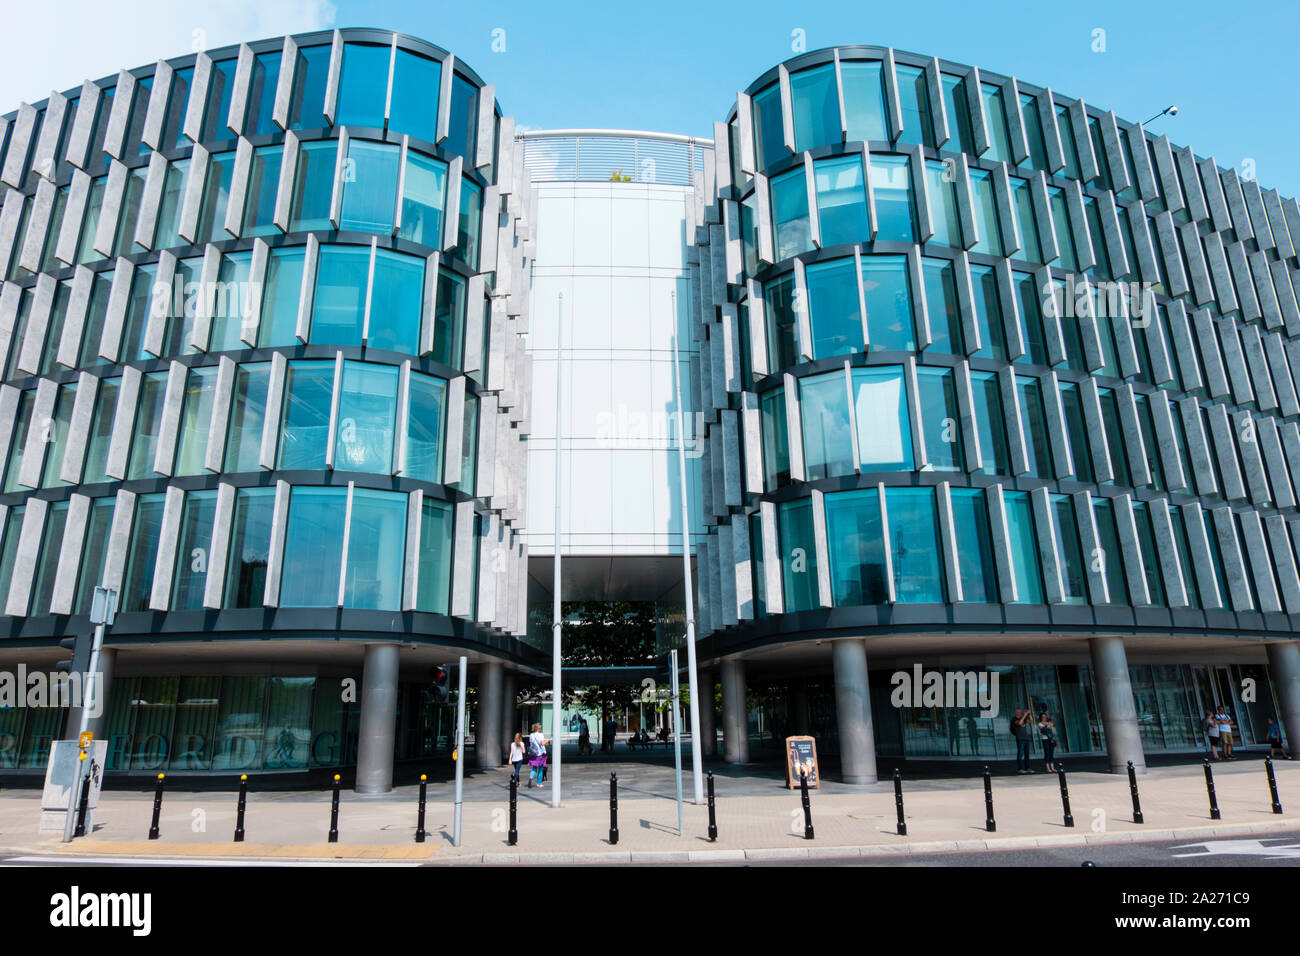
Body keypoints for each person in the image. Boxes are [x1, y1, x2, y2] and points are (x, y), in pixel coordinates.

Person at [1010, 707, 1034, 773]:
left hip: (1026, 738)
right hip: (1020, 738)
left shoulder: (1024, 717)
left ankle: (1028, 768)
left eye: (1020, 711)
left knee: (1027, 754)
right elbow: (1020, 723)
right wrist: (1025, 715)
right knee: (1020, 753)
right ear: (1015, 712)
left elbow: (1031, 721)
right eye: (1018, 711)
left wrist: (1029, 714)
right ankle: (1020, 768)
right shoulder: (1014, 719)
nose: (1019, 712)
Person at [527, 722, 550, 788]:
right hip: (541, 754)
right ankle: (538, 783)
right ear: (539, 728)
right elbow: (542, 743)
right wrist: (548, 740)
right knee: (541, 769)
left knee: (534, 768)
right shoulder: (540, 735)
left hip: (534, 753)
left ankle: (531, 777)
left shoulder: (531, 735)